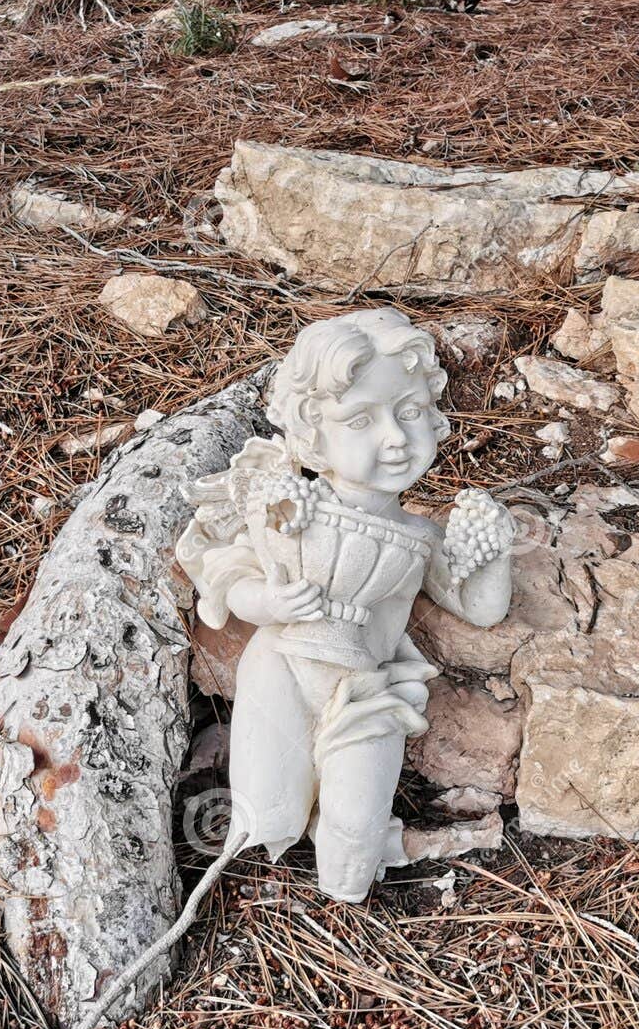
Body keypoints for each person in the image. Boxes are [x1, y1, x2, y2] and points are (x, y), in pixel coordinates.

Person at [178, 308, 515, 899]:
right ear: (313, 430)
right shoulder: (292, 502)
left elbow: (480, 608)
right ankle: (263, 846)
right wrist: (268, 600)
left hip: (366, 689)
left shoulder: (421, 535)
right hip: (282, 665)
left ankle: (348, 899)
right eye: (361, 418)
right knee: (267, 810)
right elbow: (228, 567)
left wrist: (496, 549)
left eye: (409, 412)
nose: (394, 438)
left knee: (355, 828)